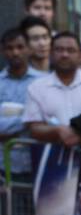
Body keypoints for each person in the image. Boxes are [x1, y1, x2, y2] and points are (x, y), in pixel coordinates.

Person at [22, 31, 81, 146]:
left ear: (80, 56)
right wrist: (58, 131)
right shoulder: (36, 87)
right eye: (59, 50)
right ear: (51, 54)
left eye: (71, 50)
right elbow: (34, 128)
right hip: (51, 158)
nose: (65, 55)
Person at [0, 25, 44, 171]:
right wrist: (30, 121)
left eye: (20, 47)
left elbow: (49, 119)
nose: (15, 52)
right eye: (10, 48)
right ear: (3, 51)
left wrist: (9, 128)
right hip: (3, 165)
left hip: (38, 162)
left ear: (29, 49)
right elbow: (37, 122)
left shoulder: (44, 81)